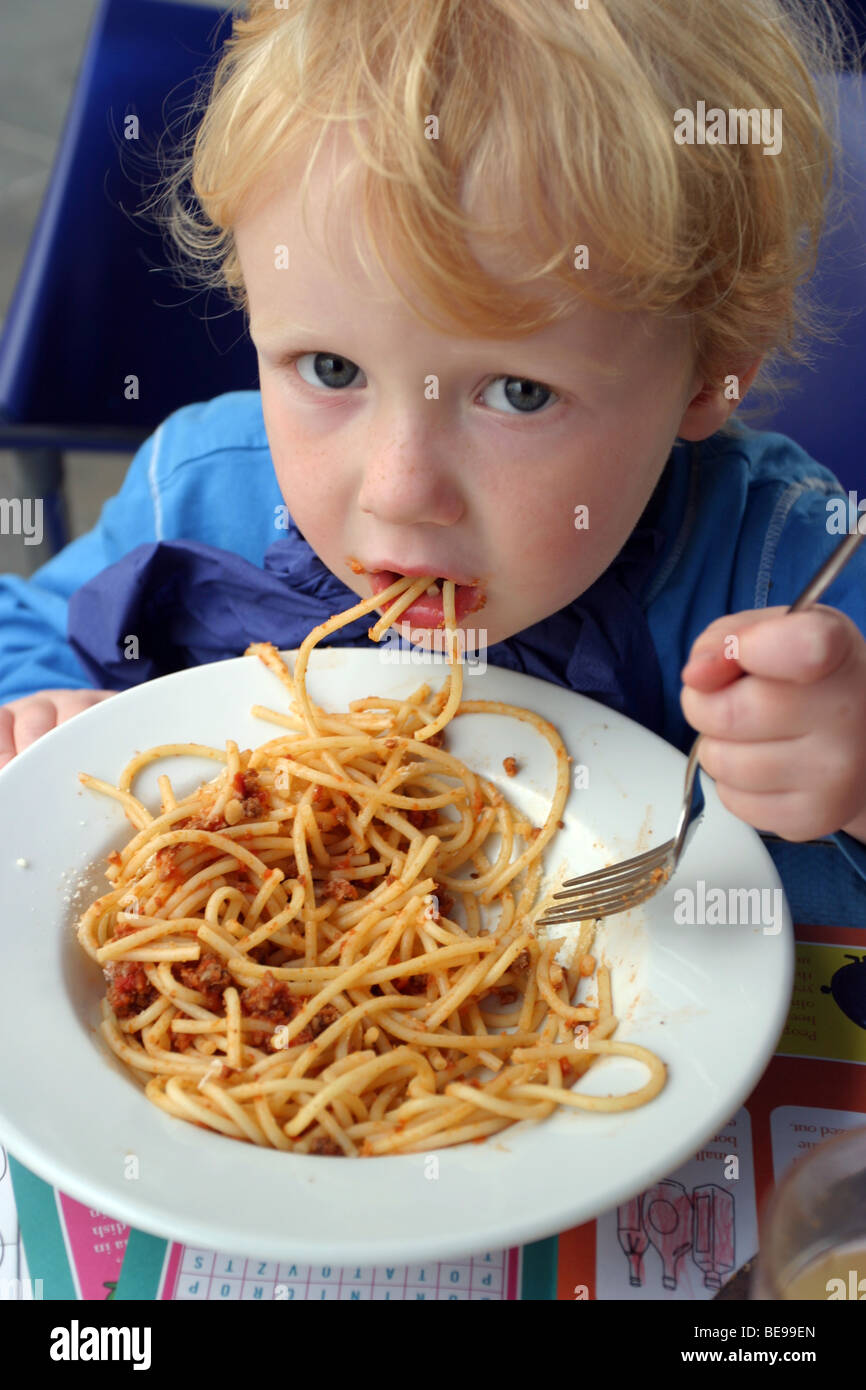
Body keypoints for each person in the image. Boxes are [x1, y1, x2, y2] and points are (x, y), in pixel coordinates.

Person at [1, 0, 864, 914]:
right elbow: (29, 629)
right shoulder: (197, 488)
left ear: (710, 379)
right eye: (331, 369)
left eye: (518, 393)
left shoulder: (792, 581)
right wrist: (43, 707)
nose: (401, 491)